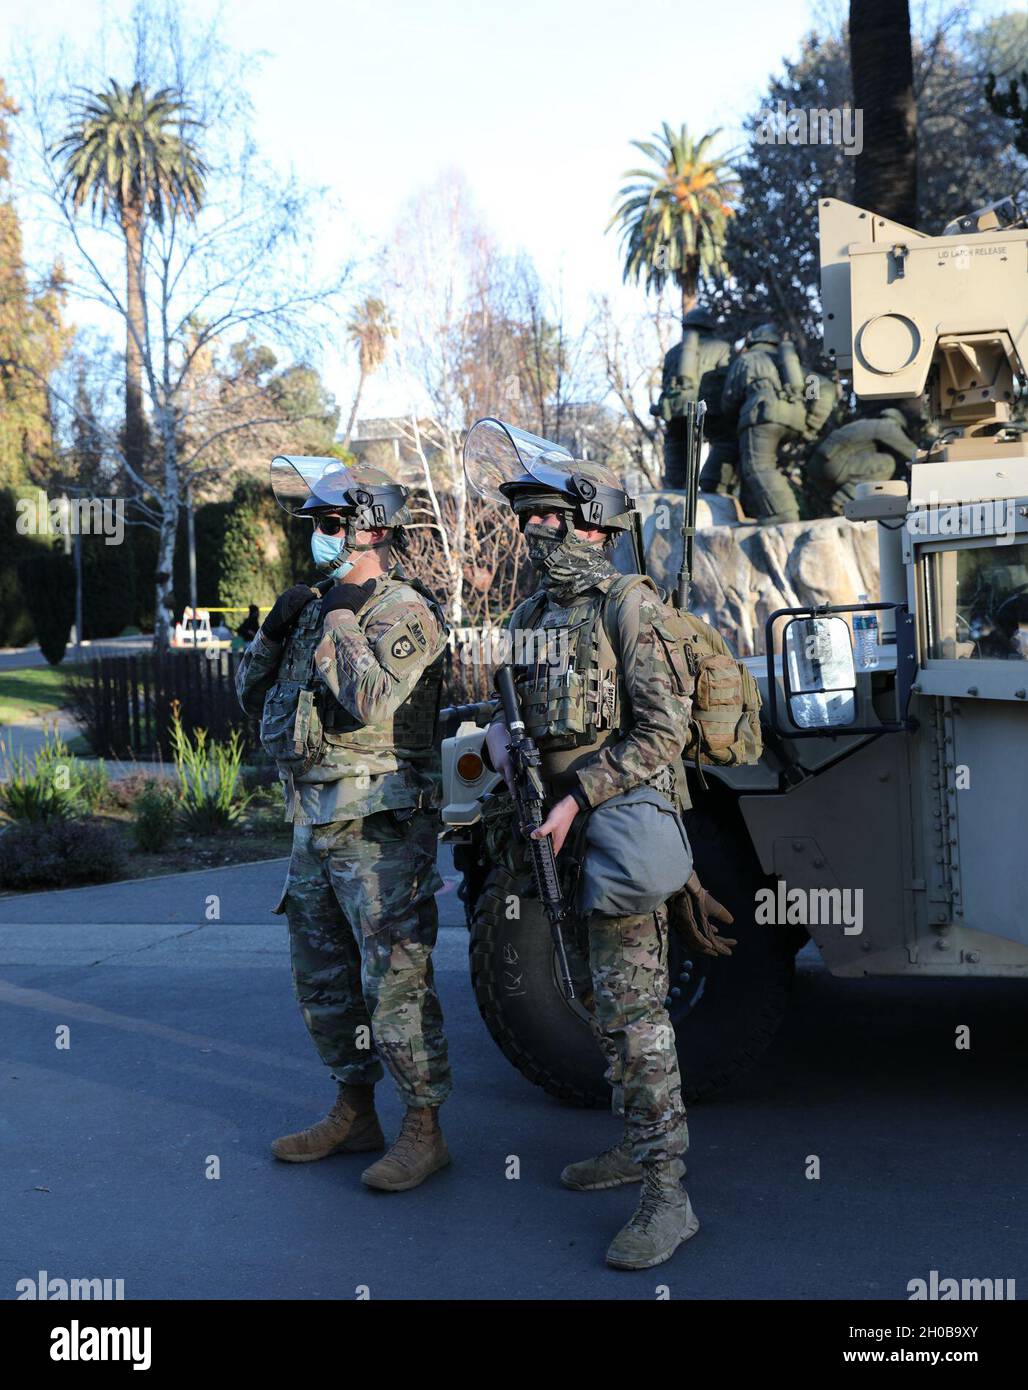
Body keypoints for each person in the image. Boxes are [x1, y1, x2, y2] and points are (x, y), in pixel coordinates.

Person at [464, 419, 698, 1271]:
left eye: (546, 517)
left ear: (592, 522)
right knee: (591, 1001)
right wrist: (497, 737)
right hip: (554, 830)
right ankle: (635, 1144)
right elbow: (518, 709)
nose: (531, 532)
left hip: (620, 827)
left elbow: (663, 731)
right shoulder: (529, 612)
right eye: (525, 517)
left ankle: (668, 1195)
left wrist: (578, 795)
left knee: (637, 1019)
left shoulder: (627, 604)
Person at [235, 457, 453, 1192]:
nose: (320, 539)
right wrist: (275, 629)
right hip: (313, 821)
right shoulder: (317, 604)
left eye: (332, 527)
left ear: (374, 530)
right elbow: (249, 697)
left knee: (395, 985)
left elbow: (369, 700)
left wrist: (337, 618)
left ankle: (423, 1129)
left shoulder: (404, 610)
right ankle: (354, 1112)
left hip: (379, 827)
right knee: (324, 984)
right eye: (318, 527)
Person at [652, 306, 735, 492]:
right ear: (710, 327)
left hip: (675, 411)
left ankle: (675, 488)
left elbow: (666, 384)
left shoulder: (673, 353)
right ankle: (711, 485)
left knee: (675, 444)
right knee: (725, 441)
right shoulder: (722, 348)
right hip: (707, 409)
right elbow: (727, 380)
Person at [806, 406, 919, 516]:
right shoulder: (887, 425)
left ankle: (832, 507)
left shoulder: (864, 423)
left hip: (817, 466)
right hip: (834, 465)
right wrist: (930, 458)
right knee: (888, 463)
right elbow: (911, 451)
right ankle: (842, 504)